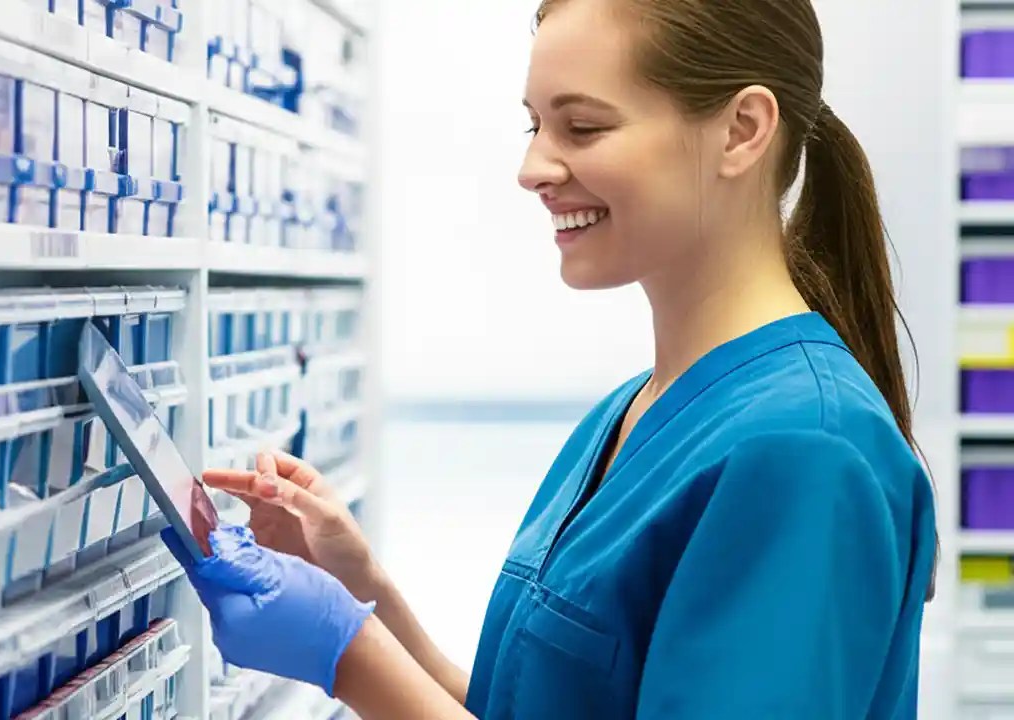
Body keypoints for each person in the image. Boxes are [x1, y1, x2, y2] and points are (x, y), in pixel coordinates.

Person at [168, 0, 938, 717]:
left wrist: (350, 655)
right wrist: (363, 594)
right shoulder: (638, 408)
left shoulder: (805, 453)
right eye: (534, 124)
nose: (534, 167)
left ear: (742, 130)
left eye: (582, 127)